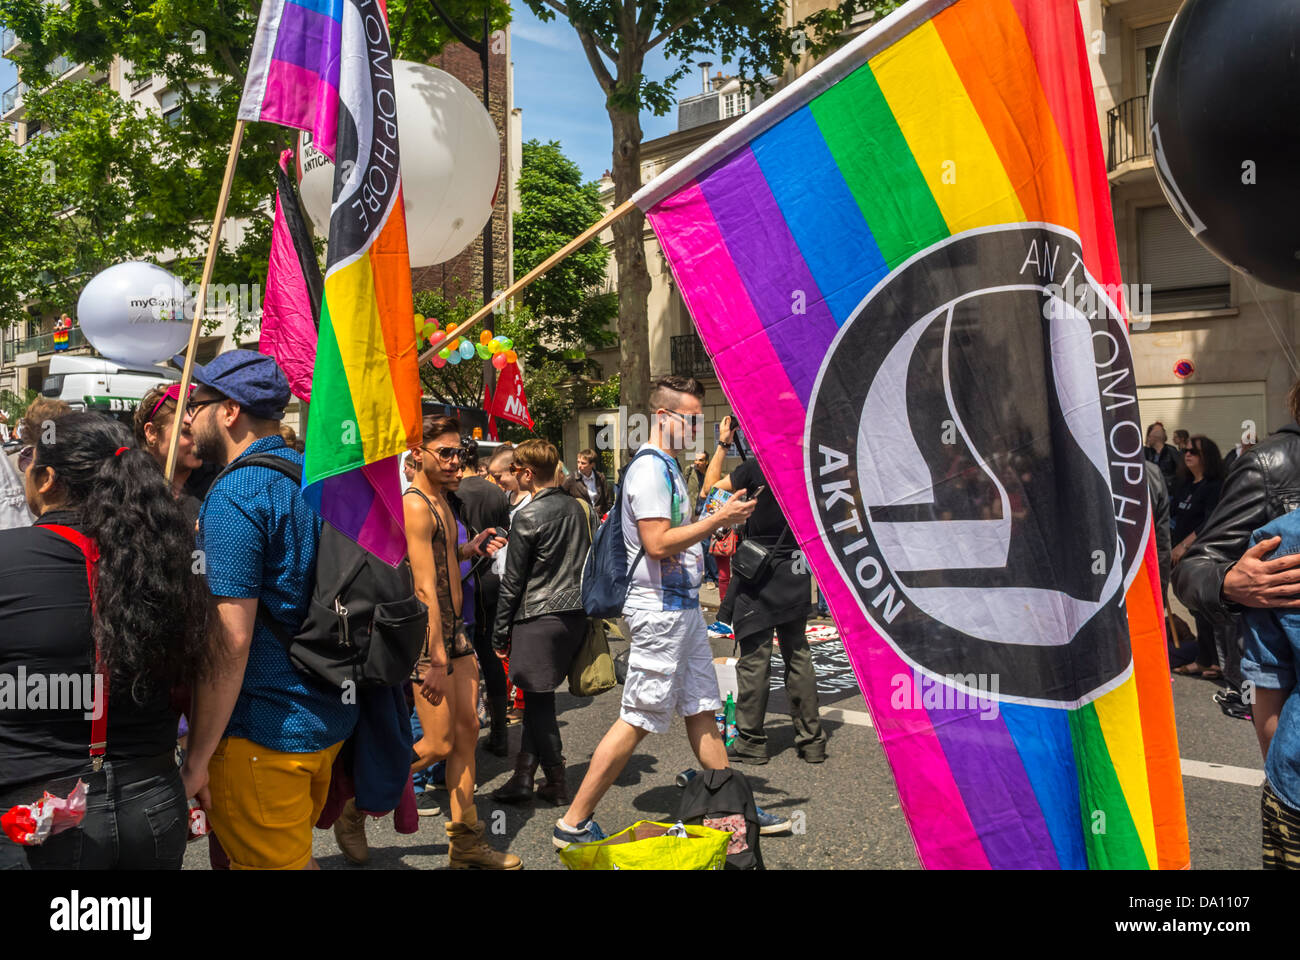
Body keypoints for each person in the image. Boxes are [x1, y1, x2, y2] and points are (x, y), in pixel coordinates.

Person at [553, 376, 764, 847]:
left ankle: (732, 808)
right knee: (639, 716)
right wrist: (717, 521)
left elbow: (679, 534)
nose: (697, 427)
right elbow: (656, 543)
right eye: (690, 419)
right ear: (665, 418)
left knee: (701, 705)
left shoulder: (666, 466)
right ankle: (573, 823)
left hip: (682, 608)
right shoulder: (650, 470)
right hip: (658, 612)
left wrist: (713, 512)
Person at [0, 413, 211, 868]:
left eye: (28, 461)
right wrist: (198, 760)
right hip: (154, 802)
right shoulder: (169, 560)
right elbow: (208, 667)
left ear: (49, 478)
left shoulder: (8, 559)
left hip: (36, 814)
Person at [178, 350, 355, 871]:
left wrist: (197, 757)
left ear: (229, 411)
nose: (188, 417)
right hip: (327, 718)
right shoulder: (314, 475)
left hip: (263, 732)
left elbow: (230, 641)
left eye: (196, 404)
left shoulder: (235, 493)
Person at [403, 414, 518, 869]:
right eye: (446, 453)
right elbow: (423, 587)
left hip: (456, 633)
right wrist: (434, 656)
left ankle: (465, 844)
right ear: (417, 454)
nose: (456, 461)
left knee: (468, 732)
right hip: (430, 638)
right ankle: (356, 800)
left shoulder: (443, 501)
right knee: (435, 744)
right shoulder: (415, 503)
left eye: (461, 453)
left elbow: (441, 557)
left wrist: (471, 548)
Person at [700, 415, 828, 764]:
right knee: (798, 655)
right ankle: (812, 740)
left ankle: (752, 741)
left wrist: (724, 443)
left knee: (755, 658)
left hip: (759, 573)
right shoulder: (806, 469)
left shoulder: (756, 468)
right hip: (797, 569)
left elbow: (709, 488)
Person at [492, 439, 592, 804]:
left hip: (537, 616)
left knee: (540, 704)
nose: (514, 476)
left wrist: (499, 632)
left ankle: (556, 779)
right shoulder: (580, 507)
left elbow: (513, 582)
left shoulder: (529, 515)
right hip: (574, 614)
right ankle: (524, 777)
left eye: (516, 470)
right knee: (538, 700)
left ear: (528, 473)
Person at [451, 437, 513, 757]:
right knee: (489, 656)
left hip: (465, 581)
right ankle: (499, 731)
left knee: (464, 657)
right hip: (491, 578)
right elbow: (504, 534)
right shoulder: (495, 491)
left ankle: (471, 731)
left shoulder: (451, 492)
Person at [1170, 435, 1227, 680]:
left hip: (1201, 557)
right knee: (1195, 611)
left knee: (1205, 611)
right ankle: (1206, 659)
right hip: (1179, 559)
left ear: (1208, 457)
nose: (1188, 454)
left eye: (1194, 451)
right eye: (1185, 450)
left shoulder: (1214, 486)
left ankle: (1213, 662)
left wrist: (1183, 546)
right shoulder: (1184, 484)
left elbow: (1211, 521)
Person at [133, 383, 204, 526]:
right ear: (152, 432)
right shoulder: (128, 491)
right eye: (186, 431)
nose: (200, 440)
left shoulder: (215, 491)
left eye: (202, 431)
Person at [561, 447, 613, 517]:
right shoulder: (571, 479)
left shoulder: (600, 477)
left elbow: (608, 501)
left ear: (592, 464)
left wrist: (606, 516)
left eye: (583, 463)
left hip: (599, 519)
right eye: (578, 462)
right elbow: (562, 501)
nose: (579, 466)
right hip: (582, 520)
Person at [1143, 421, 1179, 493]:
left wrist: (1171, 484)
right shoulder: (1148, 452)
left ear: (1155, 438)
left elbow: (1180, 470)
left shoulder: (1171, 451)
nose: (1148, 438)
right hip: (1153, 491)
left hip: (1168, 490)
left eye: (1149, 436)